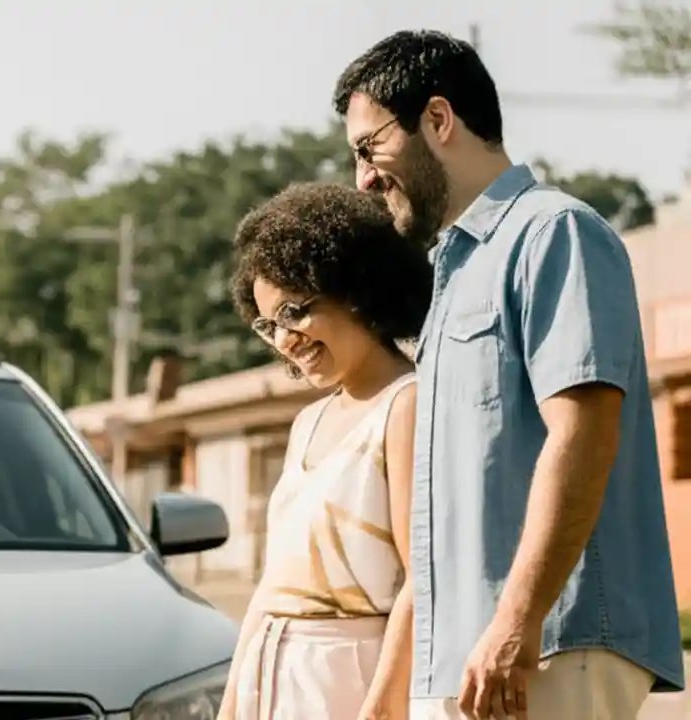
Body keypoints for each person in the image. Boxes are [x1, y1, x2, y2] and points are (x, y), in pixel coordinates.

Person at [332, 29, 686, 719]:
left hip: (550, 645)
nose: (363, 179)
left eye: (369, 148)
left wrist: (517, 623)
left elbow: (582, 433)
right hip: (475, 654)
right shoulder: (453, 271)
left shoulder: (554, 233)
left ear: (438, 120)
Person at [220, 181, 434, 719]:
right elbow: (272, 586)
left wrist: (385, 702)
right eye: (268, 324)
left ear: (355, 288)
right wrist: (229, 706)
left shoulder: (405, 405)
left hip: (351, 678)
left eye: (294, 312)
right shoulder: (306, 422)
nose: (284, 339)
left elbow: (422, 580)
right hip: (268, 677)